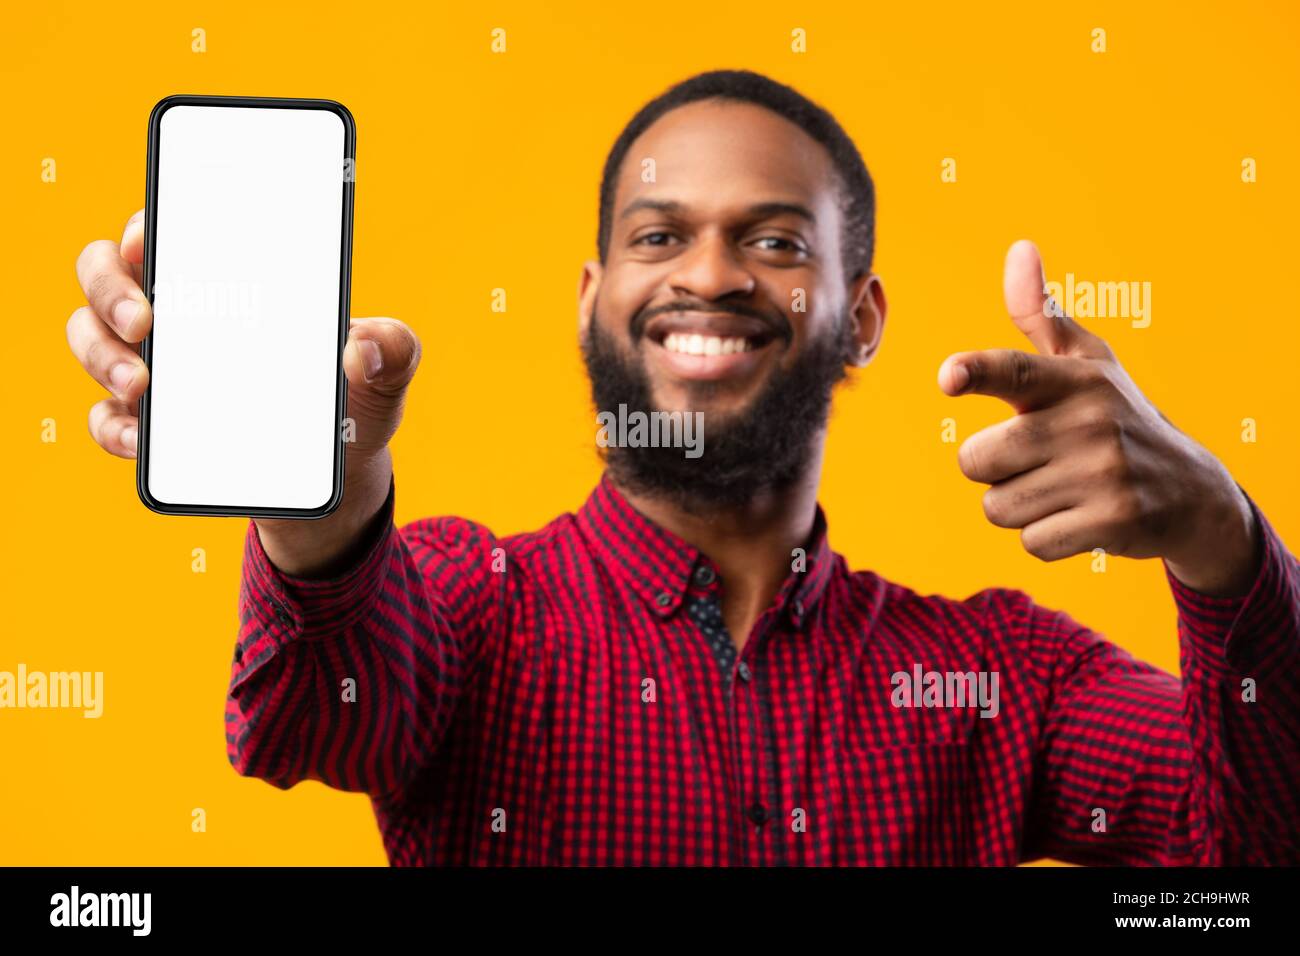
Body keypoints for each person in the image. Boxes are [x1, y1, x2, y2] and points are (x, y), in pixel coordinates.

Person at [67, 70, 1299, 865]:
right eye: (659, 236)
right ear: (595, 302)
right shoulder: (467, 601)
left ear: (862, 319)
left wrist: (1218, 536)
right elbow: (302, 716)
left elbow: (1254, 843)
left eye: (771, 240)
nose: (708, 276)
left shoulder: (995, 678)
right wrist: (322, 506)